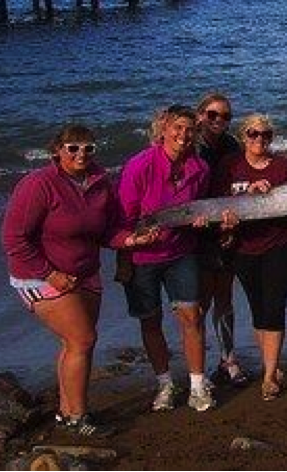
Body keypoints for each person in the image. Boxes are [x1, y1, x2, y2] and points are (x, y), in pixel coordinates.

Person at [2, 125, 157, 437]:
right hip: (38, 275)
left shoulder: (99, 183)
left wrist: (132, 241)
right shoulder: (38, 184)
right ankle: (78, 417)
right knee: (82, 340)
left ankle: (66, 411)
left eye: (88, 148)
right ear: (57, 151)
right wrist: (50, 274)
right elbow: (14, 239)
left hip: (85, 273)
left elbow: (108, 230)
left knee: (72, 343)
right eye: (73, 148)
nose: (81, 154)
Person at [117, 105, 226, 412]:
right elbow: (124, 216)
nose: (183, 135)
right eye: (177, 128)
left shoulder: (200, 168)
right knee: (151, 321)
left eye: (189, 129)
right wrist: (132, 243)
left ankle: (196, 385)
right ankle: (165, 383)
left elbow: (199, 207)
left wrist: (201, 221)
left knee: (192, 316)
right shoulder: (139, 165)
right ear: (163, 129)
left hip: (181, 251)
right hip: (142, 255)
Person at [213, 114, 287, 401]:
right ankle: (271, 366)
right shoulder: (229, 166)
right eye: (253, 134)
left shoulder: (283, 167)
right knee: (258, 308)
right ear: (243, 136)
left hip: (278, 245)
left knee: (274, 308)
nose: (259, 139)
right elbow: (218, 201)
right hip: (243, 247)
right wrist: (224, 222)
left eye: (265, 135)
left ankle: (270, 375)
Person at [193, 92, 248, 388]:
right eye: (212, 115)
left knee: (224, 295)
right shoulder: (190, 145)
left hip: (224, 224)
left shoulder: (230, 146)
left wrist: (229, 228)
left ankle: (228, 359)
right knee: (200, 300)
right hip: (195, 229)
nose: (218, 121)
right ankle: (198, 365)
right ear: (200, 115)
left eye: (225, 116)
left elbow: (236, 185)